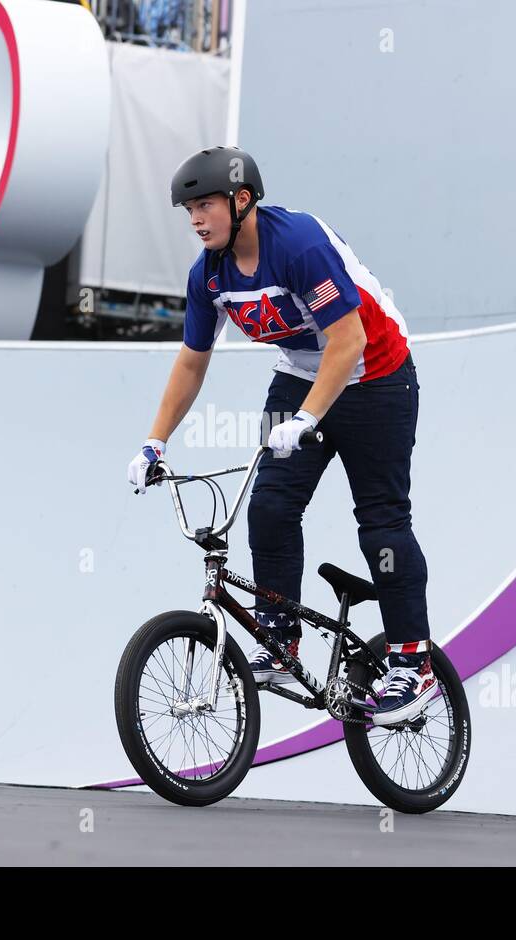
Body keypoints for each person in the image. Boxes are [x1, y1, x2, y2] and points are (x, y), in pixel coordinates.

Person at [126, 146, 434, 725]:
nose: (195, 218)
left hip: (378, 376)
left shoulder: (297, 247)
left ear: (242, 202)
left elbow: (348, 342)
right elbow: (192, 362)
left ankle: (411, 664)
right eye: (188, 208)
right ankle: (280, 637)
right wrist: (155, 441)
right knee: (267, 506)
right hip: (297, 380)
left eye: (206, 205)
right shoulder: (208, 276)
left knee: (382, 522)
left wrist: (309, 420)